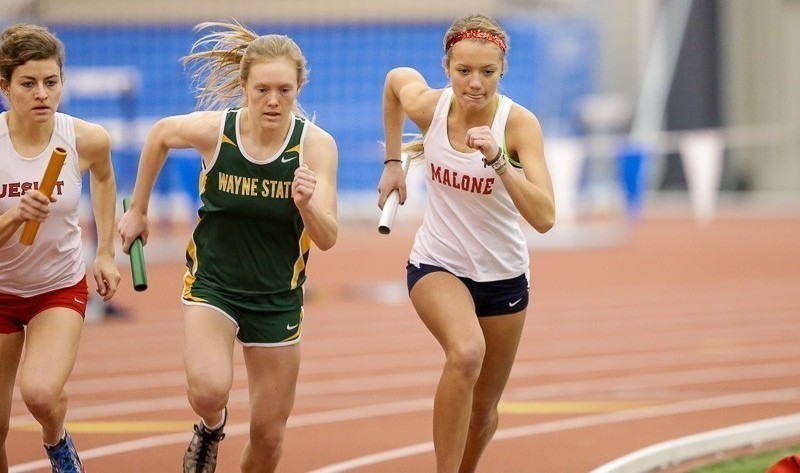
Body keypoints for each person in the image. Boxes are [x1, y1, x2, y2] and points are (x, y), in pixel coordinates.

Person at [118, 20, 338, 473]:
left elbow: (328, 237)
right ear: (244, 86)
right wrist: (138, 210)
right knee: (207, 390)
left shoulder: (315, 147)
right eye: (261, 89)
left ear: (299, 88)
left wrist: (308, 205)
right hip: (213, 284)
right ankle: (211, 427)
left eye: (284, 90)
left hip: (277, 298)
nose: (273, 100)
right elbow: (160, 133)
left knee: (269, 437)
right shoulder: (218, 132)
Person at [377, 13, 555, 472]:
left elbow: (544, 216)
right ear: (447, 67)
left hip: (503, 277)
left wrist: (498, 160)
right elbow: (397, 81)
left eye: (487, 73)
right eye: (463, 71)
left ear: (502, 71)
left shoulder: (518, 125)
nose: (474, 84)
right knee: (466, 353)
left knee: (483, 411)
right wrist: (394, 161)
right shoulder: (431, 107)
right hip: (438, 264)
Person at [0, 23, 120, 472]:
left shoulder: (86, 139)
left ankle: (57, 441)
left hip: (57, 288)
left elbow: (105, 180)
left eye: (51, 82)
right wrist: (14, 216)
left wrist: (105, 251)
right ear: (5, 86)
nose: (41, 94)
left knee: (40, 393)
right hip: (1, 291)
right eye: (28, 83)